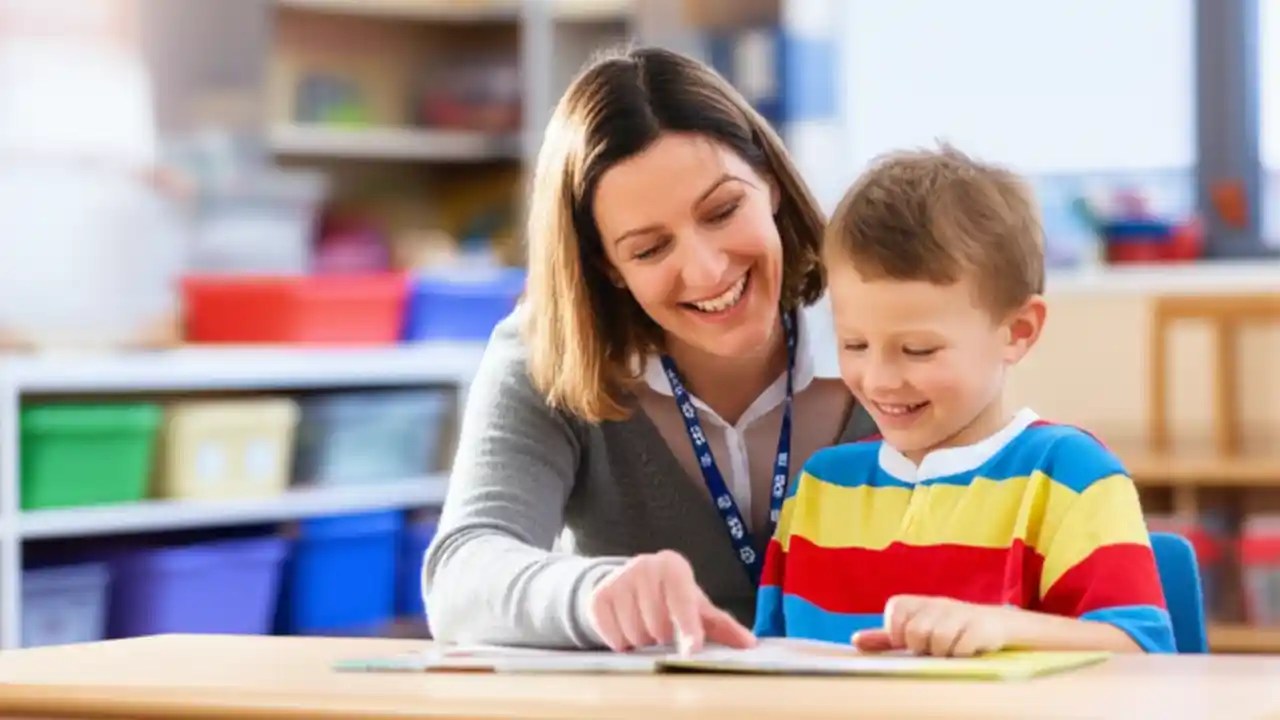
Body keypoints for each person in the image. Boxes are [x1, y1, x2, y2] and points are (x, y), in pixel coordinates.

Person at [422, 46, 877, 653]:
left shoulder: (883, 322)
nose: (707, 269)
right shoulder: (547, 355)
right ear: (606, 266)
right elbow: (460, 576)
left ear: (768, 181)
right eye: (648, 249)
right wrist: (592, 594)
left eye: (723, 210)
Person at [754, 145, 1176, 656]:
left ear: (1017, 332)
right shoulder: (819, 488)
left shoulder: (1067, 475)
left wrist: (1004, 628)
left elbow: (1143, 652)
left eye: (918, 350)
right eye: (854, 345)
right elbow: (768, 664)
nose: (880, 379)